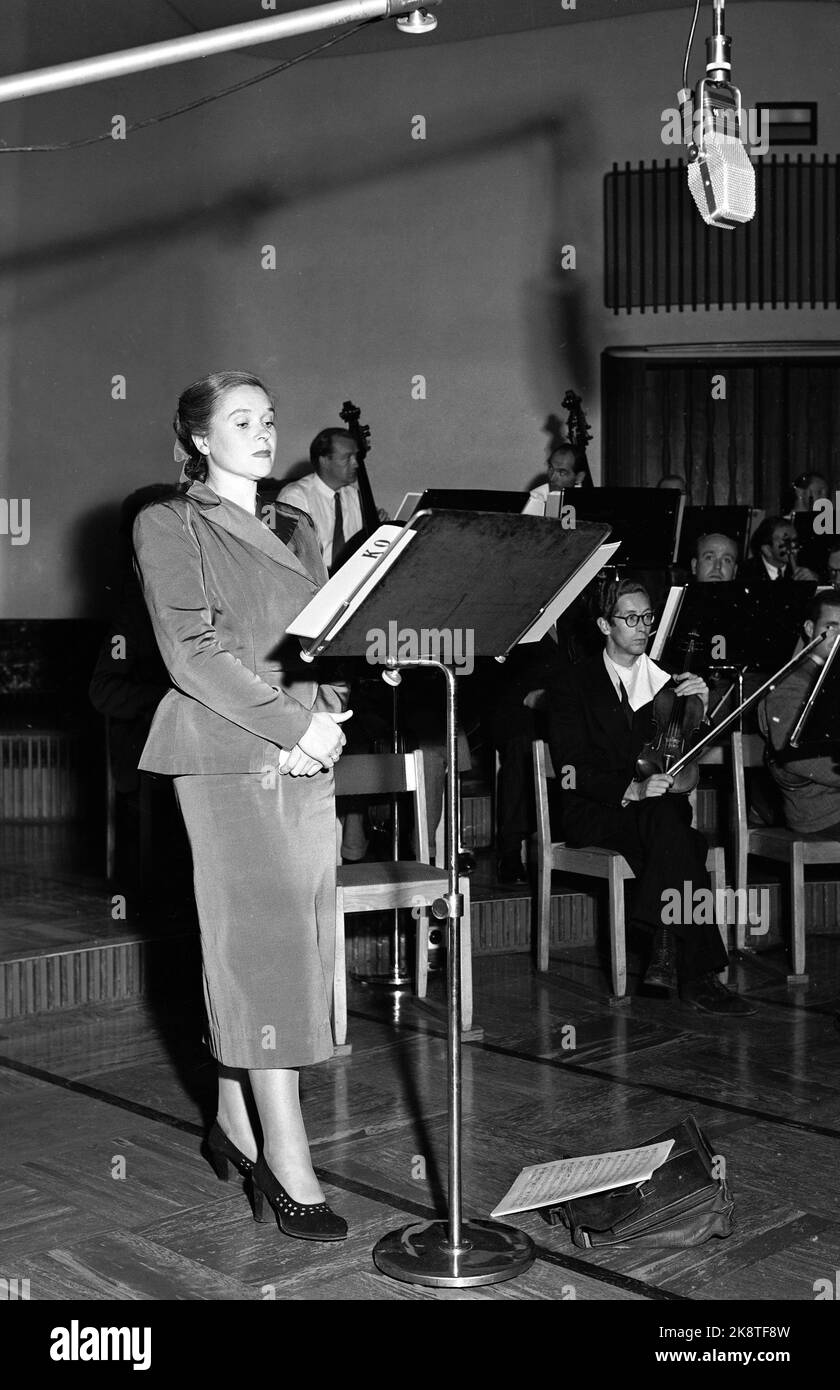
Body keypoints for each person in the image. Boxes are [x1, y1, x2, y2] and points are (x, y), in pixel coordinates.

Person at [132, 371, 353, 1242]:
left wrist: (330, 705)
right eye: (240, 420)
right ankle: (285, 1158)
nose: (263, 433)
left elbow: (317, 640)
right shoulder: (169, 520)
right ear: (196, 439)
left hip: (303, 751)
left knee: (293, 943)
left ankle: (229, 1113)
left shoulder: (294, 527)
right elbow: (191, 651)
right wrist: (295, 725)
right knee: (263, 948)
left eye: (269, 418)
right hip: (229, 753)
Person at [546, 576, 756, 1015]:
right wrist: (633, 789)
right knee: (681, 838)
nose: (642, 627)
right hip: (600, 810)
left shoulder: (667, 680)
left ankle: (666, 942)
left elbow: (690, 753)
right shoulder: (571, 683)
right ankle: (696, 972)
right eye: (630, 618)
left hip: (657, 811)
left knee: (666, 824)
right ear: (605, 625)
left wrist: (707, 704)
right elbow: (569, 769)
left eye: (647, 617)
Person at [758, 593, 840, 837]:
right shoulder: (790, 683)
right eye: (831, 628)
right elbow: (799, 757)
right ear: (809, 628)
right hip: (821, 814)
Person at [277, 427, 366, 573]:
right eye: (347, 458)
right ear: (324, 460)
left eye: (356, 456)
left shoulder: (354, 495)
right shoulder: (295, 497)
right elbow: (296, 558)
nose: (356, 463)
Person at [741, 516, 818, 582]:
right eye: (787, 541)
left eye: (795, 540)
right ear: (767, 550)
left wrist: (813, 583)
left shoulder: (804, 567)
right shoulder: (746, 573)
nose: (793, 545)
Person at [522, 443, 589, 516]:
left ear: (579, 477)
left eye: (562, 472)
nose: (552, 478)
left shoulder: (589, 501)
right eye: (551, 468)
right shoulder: (535, 499)